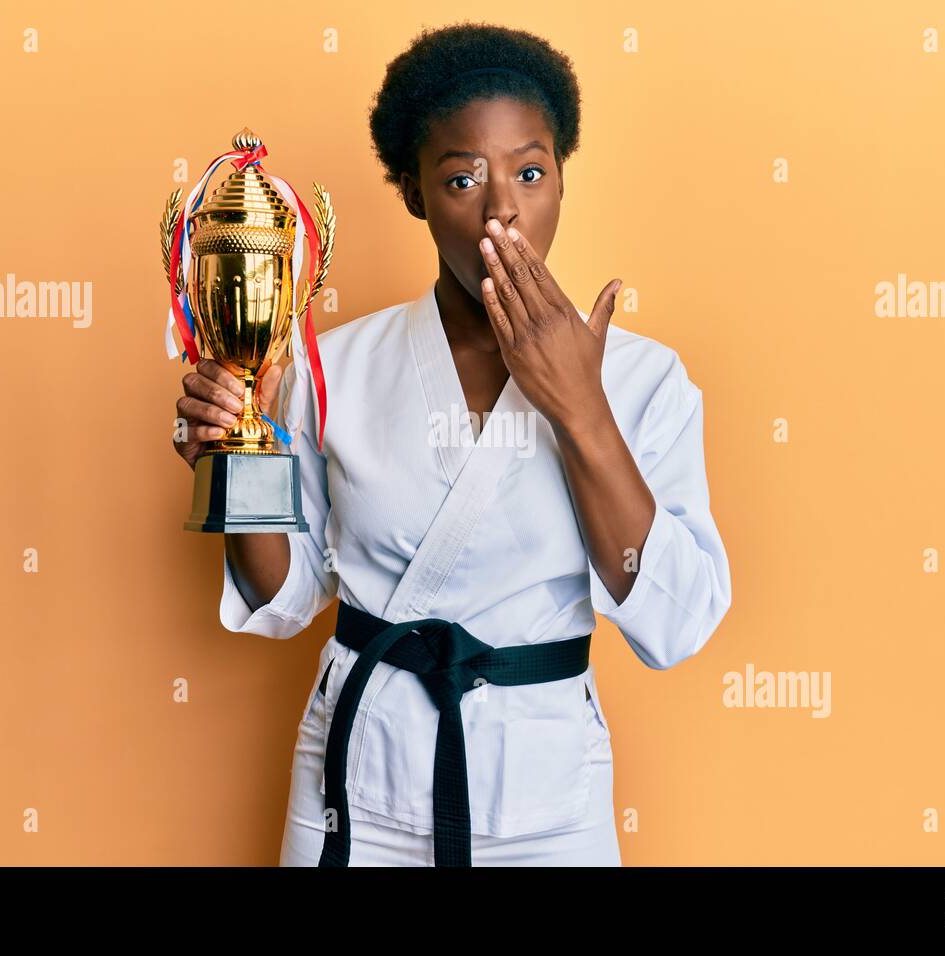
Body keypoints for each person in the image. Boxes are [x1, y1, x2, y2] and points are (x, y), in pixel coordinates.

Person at [172, 22, 733, 867]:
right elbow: (285, 598)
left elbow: (675, 622)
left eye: (531, 172)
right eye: (463, 177)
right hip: (356, 785)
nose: (502, 208)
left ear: (561, 181)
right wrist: (234, 459)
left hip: (549, 797)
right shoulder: (335, 366)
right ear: (413, 192)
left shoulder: (645, 379)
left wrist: (580, 407)